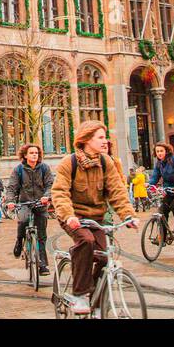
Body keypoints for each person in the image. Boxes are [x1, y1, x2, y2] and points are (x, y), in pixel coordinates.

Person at [50, 121, 137, 315]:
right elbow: (60, 193)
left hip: (96, 216)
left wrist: (128, 215)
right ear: (86, 140)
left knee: (105, 257)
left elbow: (117, 192)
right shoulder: (69, 163)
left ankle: (97, 303)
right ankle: (80, 294)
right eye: (100, 137)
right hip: (73, 215)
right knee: (86, 240)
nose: (105, 141)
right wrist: (69, 216)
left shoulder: (106, 162)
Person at [5, 143, 53, 275]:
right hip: (24, 203)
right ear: (25, 155)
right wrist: (10, 201)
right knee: (23, 220)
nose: (34, 155)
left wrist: (46, 196)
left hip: (40, 203)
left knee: (42, 235)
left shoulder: (44, 168)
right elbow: (12, 188)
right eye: (31, 153)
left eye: (36, 153)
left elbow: (50, 184)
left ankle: (43, 264)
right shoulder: (18, 170)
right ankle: (19, 241)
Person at [148, 142, 174, 237]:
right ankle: (164, 236)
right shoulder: (159, 164)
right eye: (157, 151)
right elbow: (155, 176)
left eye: (161, 151)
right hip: (169, 191)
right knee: (163, 210)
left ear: (166, 151)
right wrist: (149, 184)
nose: (159, 153)